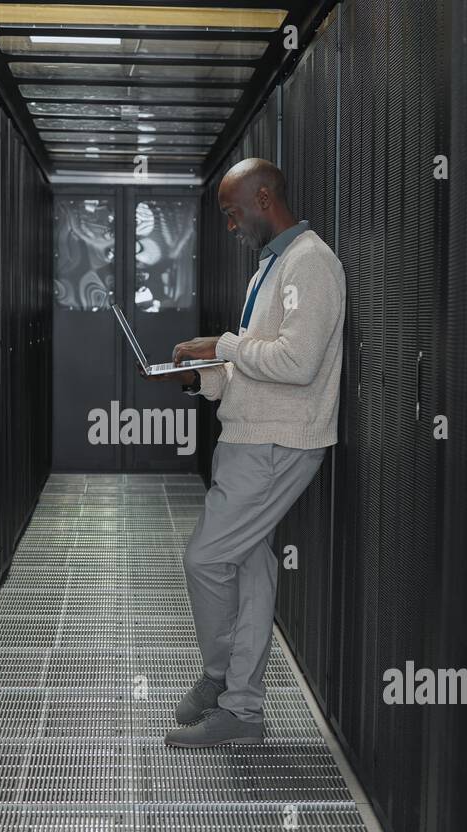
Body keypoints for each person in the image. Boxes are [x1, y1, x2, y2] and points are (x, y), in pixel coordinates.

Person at [139, 157, 345, 747]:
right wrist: (198, 377)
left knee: (205, 559)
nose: (230, 226)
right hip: (253, 436)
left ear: (262, 200)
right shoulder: (271, 268)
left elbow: (296, 363)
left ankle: (220, 678)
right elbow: (254, 367)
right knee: (250, 572)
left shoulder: (311, 264)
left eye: (232, 213)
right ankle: (243, 711)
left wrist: (223, 344)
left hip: (277, 443)